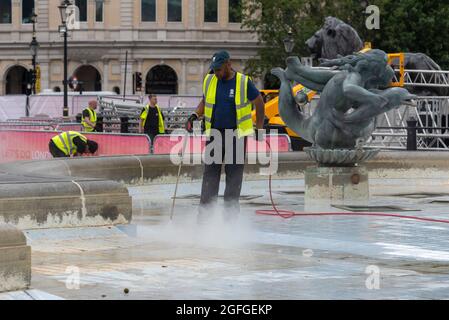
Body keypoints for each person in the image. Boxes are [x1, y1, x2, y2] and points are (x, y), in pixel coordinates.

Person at [185, 50, 265, 221]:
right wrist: (194, 115)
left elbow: (259, 102)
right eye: (214, 70)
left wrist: (259, 128)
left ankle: (230, 220)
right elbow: (205, 101)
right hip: (214, 135)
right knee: (210, 176)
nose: (217, 73)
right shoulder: (210, 79)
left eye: (219, 69)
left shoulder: (243, 82)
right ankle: (204, 218)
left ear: (228, 65)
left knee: (233, 179)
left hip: (236, 136)